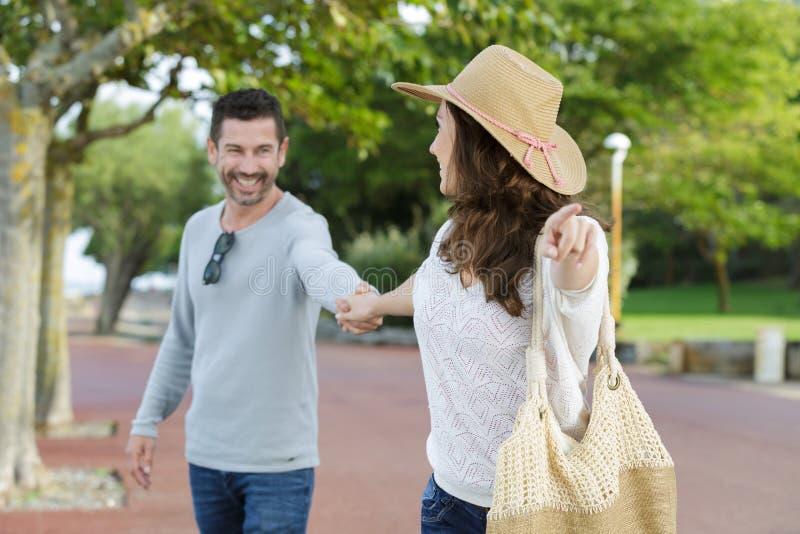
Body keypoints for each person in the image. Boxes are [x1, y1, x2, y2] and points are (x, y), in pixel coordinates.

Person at [335, 45, 610, 533]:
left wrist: (576, 255)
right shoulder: (456, 232)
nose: (433, 146)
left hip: (536, 511)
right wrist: (373, 303)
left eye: (441, 127)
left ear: (476, 142)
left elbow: (575, 294)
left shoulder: (562, 242)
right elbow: (431, 285)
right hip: (446, 501)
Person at [126, 88, 381, 534]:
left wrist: (354, 297)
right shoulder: (197, 228)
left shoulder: (301, 225)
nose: (248, 167)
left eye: (262, 150)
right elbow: (181, 338)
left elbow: (317, 263)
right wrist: (146, 422)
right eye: (235, 150)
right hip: (205, 458)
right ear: (212, 151)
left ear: (282, 153)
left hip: (278, 467)